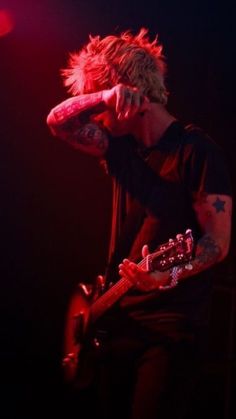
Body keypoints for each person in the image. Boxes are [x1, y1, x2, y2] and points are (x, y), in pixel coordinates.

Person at [46, 28, 232, 419]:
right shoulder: (120, 149)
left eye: (98, 96)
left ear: (128, 91)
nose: (94, 113)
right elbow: (56, 122)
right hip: (118, 323)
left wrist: (171, 273)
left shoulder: (196, 151)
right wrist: (104, 96)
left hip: (169, 330)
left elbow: (216, 243)